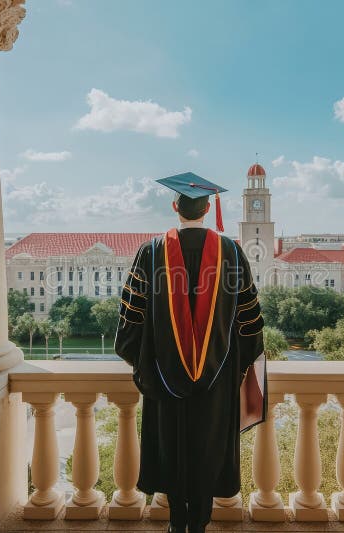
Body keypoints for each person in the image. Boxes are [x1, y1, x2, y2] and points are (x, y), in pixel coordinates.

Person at [114, 172, 266, 533]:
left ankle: (176, 524)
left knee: (172, 446)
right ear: (209, 208)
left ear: (174, 206)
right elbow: (249, 319)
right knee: (207, 447)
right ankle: (198, 522)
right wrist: (238, 363)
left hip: (164, 377)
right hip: (218, 380)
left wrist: (143, 360)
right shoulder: (231, 251)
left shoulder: (150, 252)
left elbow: (131, 317)